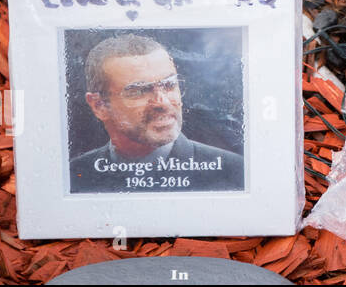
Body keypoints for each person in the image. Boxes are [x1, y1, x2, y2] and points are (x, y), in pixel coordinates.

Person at [69, 34, 244, 193]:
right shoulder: (74, 176)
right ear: (99, 106)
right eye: (139, 91)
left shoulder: (233, 171)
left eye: (169, 85)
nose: (163, 102)